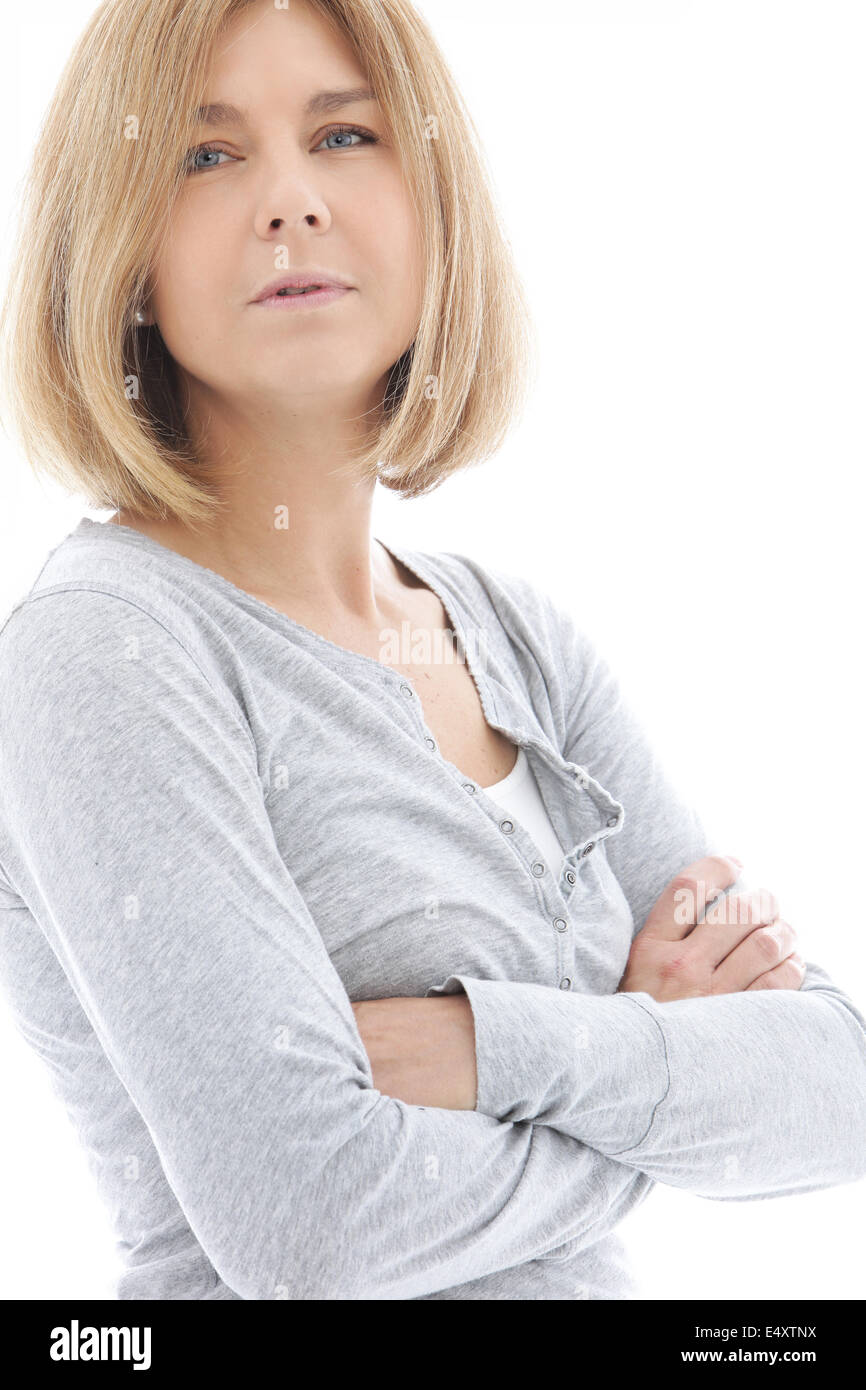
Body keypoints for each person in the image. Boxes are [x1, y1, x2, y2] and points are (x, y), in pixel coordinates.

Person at [0, 0, 864, 1302]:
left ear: (431, 198)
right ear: (115, 245)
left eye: (343, 134)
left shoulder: (516, 639)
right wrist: (657, 1076)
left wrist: (487, 1048)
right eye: (205, 154)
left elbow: (830, 1088)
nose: (289, 200)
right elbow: (313, 1221)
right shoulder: (108, 649)